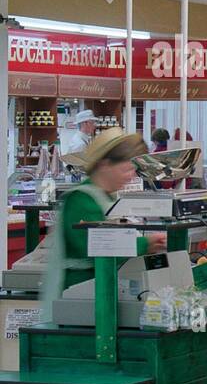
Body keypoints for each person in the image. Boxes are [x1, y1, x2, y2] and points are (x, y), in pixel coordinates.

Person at [38, 128, 166, 318]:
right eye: (126, 169)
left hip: (103, 295)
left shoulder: (106, 198)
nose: (131, 176)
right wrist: (144, 244)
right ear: (105, 165)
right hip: (78, 302)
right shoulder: (81, 199)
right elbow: (93, 244)